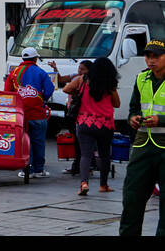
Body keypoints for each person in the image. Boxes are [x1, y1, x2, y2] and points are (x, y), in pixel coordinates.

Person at [121, 39, 165, 236]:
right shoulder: (142, 79)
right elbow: (133, 108)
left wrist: (161, 120)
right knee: (132, 198)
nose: (151, 60)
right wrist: (133, 118)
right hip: (143, 146)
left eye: (156, 56)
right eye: (148, 56)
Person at [5, 46, 55, 178]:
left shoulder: (14, 73)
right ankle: (38, 170)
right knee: (38, 142)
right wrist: (42, 99)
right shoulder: (41, 72)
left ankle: (25, 169)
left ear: (23, 58)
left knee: (23, 142)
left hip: (20, 116)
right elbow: (50, 89)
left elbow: (7, 93)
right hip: (38, 114)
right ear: (35, 58)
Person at [74, 57, 119, 197]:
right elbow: (117, 104)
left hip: (85, 122)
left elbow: (67, 89)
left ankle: (84, 183)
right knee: (104, 155)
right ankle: (103, 185)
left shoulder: (82, 80)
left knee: (85, 155)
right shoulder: (110, 85)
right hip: (105, 124)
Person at [60, 60, 92, 177]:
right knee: (80, 141)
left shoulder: (83, 80)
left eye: (82, 69)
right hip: (74, 112)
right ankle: (82, 165)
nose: (80, 71)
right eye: (79, 68)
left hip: (81, 114)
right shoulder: (76, 76)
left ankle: (80, 166)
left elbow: (66, 89)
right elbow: (61, 81)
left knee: (80, 142)